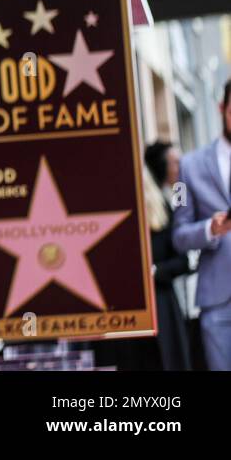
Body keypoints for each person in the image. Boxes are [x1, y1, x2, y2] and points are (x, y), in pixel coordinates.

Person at [105, 141, 192, 370]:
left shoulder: (161, 210)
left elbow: (182, 261)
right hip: (122, 315)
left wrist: (153, 272)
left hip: (161, 307)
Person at [172, 78, 231, 370]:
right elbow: (179, 234)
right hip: (218, 300)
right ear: (222, 108)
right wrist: (210, 229)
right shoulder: (189, 166)